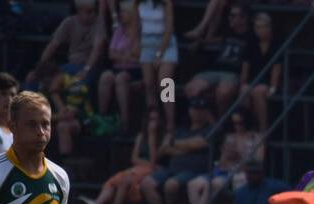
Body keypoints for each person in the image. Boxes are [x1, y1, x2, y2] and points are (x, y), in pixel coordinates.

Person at [174, 106, 261, 204]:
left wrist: (239, 155)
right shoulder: (229, 137)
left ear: (247, 122)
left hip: (240, 173)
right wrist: (225, 156)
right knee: (192, 184)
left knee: (212, 184)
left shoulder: (256, 138)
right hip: (223, 170)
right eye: (234, 123)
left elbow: (259, 161)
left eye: (240, 123)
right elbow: (221, 162)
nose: (237, 126)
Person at [77, 108, 161, 204]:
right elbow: (134, 158)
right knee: (117, 180)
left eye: (155, 120)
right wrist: (144, 163)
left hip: (154, 170)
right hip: (139, 168)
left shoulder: (161, 137)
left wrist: (152, 136)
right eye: (151, 119)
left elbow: (153, 162)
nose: (153, 123)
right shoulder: (141, 136)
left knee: (125, 179)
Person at [139, 96, 211, 204]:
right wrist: (187, 147)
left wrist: (174, 144)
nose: (197, 112)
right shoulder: (180, 130)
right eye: (194, 109)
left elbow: (200, 143)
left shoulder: (210, 129)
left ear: (206, 112)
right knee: (146, 183)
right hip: (172, 169)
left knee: (170, 185)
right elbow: (164, 150)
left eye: (201, 110)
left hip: (193, 170)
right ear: (190, 110)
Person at [26, 0, 107, 92]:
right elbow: (53, 45)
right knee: (34, 78)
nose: (90, 15)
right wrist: (38, 69)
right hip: (70, 66)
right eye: (87, 12)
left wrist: (86, 69)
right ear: (79, 10)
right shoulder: (70, 21)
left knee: (76, 85)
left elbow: (97, 48)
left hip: (90, 68)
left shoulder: (99, 23)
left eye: (92, 12)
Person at [183, 3, 248, 115]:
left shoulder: (251, 37)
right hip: (215, 70)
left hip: (232, 73)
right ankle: (212, 121)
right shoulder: (227, 31)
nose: (230, 18)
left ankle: (222, 121)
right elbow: (213, 40)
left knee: (222, 93)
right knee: (190, 89)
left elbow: (248, 63)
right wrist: (200, 42)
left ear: (244, 18)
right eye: (230, 15)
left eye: (233, 16)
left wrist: (242, 83)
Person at [97, 1, 142, 132]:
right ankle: (102, 117)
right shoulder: (119, 31)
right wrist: (127, 56)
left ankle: (124, 120)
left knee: (121, 78)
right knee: (106, 76)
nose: (121, 15)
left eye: (124, 12)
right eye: (121, 11)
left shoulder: (141, 32)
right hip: (117, 67)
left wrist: (123, 55)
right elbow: (111, 54)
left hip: (135, 70)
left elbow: (139, 56)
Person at [135, 0, 178, 133]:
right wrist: (135, 44)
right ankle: (153, 120)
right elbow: (136, 26)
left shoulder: (166, 3)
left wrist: (159, 54)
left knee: (165, 82)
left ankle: (170, 123)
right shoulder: (138, 3)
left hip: (166, 43)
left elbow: (169, 29)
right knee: (149, 83)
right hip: (147, 42)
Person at [238, 10, 280, 133]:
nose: (258, 30)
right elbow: (245, 66)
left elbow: (277, 67)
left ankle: (263, 129)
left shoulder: (276, 44)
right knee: (244, 91)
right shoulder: (251, 44)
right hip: (253, 80)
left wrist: (273, 87)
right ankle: (247, 127)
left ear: (269, 28)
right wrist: (243, 83)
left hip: (267, 82)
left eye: (261, 27)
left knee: (257, 92)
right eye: (256, 27)